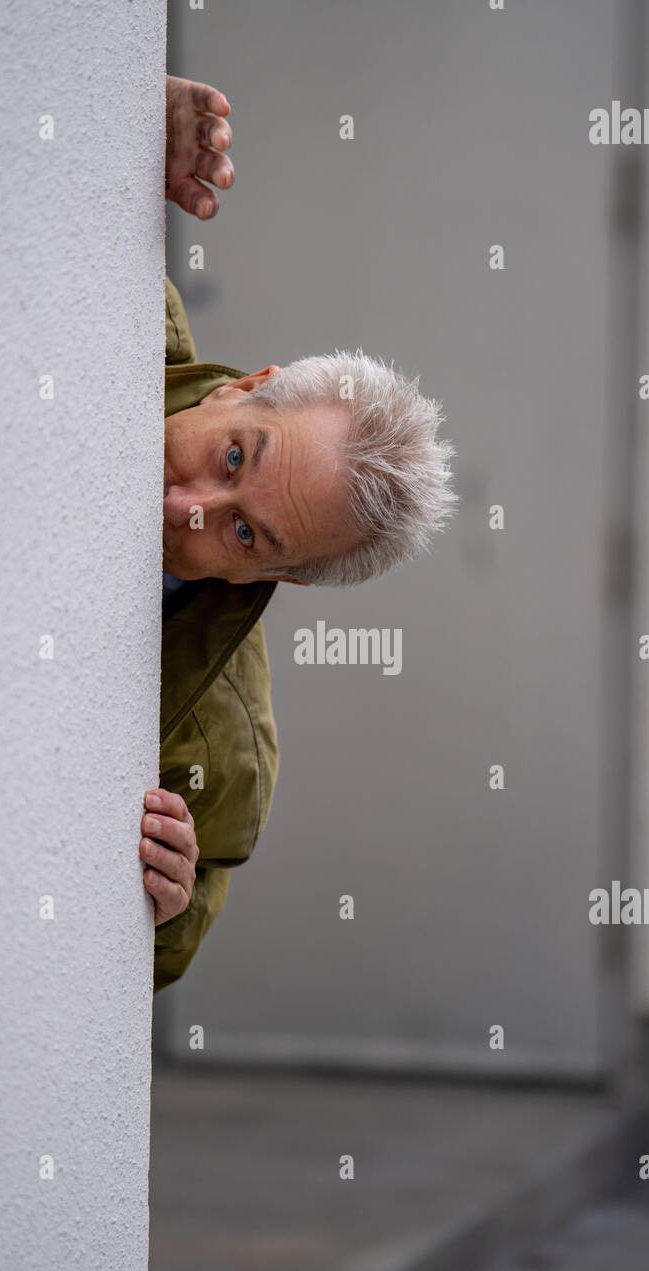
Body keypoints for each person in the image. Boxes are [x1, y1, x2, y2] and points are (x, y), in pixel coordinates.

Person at [146, 77, 457, 991]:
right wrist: (100, 130)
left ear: (285, 581)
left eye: (245, 537)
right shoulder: (102, 310)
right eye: (234, 456)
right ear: (248, 385)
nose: (186, 508)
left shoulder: (225, 752)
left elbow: (177, 933)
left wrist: (159, 906)